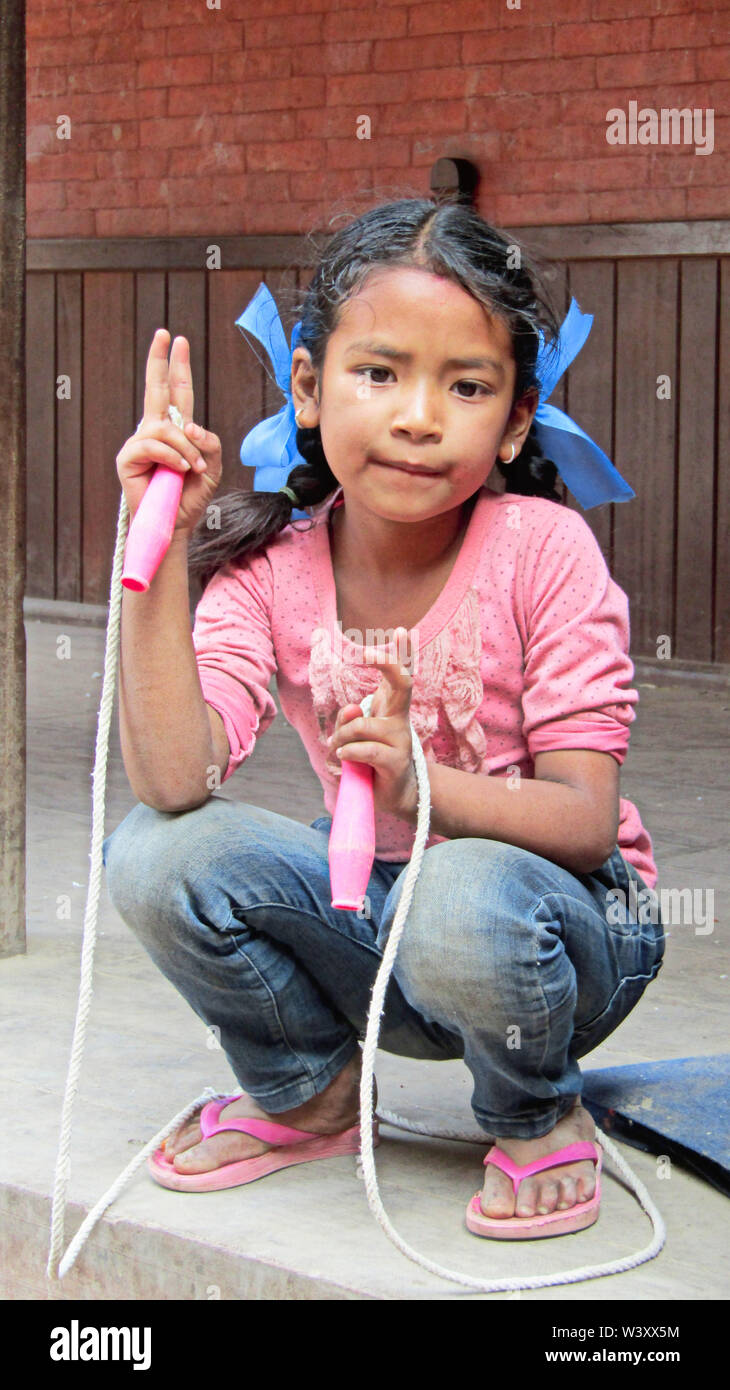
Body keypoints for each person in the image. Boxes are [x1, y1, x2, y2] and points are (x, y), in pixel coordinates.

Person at [103, 197, 666, 1240]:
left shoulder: (542, 550)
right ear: (309, 389)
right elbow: (175, 781)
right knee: (151, 851)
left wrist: (422, 788)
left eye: (465, 386)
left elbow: (587, 820)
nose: (417, 415)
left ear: (511, 423)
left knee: (458, 882)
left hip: (563, 934)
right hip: (383, 923)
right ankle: (309, 1091)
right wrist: (159, 549)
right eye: (378, 372)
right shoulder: (270, 567)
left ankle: (534, 1110)